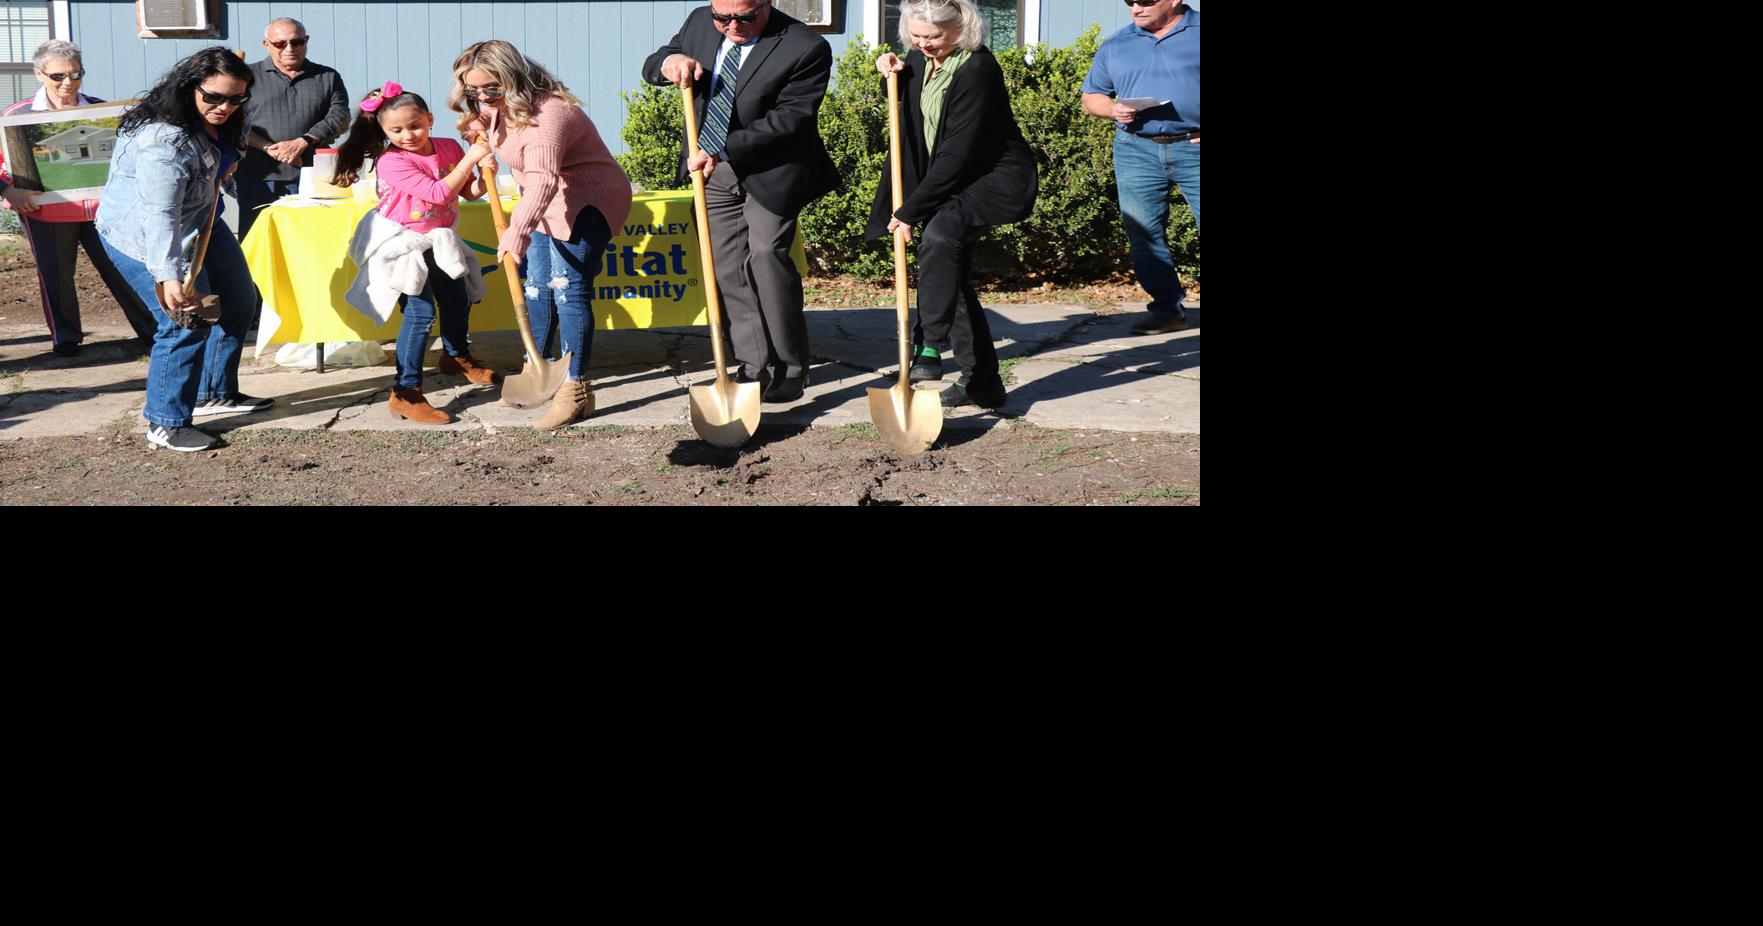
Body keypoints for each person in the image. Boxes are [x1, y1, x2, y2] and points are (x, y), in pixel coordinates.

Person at [642, 0, 839, 404]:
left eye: (746, 17)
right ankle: (754, 364)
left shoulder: (805, 46)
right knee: (727, 267)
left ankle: (789, 367)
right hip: (711, 169)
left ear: (768, 5)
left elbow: (791, 119)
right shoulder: (700, 21)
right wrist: (670, 61)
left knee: (766, 255)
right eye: (723, 17)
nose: (732, 25)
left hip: (773, 170)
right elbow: (656, 62)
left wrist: (722, 148)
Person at [94, 47, 271, 452]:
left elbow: (228, 155)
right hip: (143, 235)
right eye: (214, 97)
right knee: (184, 320)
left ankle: (214, 392)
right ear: (190, 87)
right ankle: (165, 421)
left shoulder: (230, 119)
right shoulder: (164, 141)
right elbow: (160, 213)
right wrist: (168, 275)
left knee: (240, 299)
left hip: (201, 218)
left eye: (236, 98)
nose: (225, 106)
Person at [451, 40, 633, 429]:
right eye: (474, 90)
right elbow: (515, 156)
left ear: (514, 79)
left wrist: (516, 232)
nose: (483, 98)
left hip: (587, 201)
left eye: (492, 89)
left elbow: (543, 181)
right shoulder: (498, 107)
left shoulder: (550, 115)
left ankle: (576, 388)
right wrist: (481, 126)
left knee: (569, 289)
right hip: (545, 204)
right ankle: (537, 368)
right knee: (536, 288)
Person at [868, 0, 1036, 409]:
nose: (923, 45)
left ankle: (929, 344)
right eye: (916, 36)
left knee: (941, 236)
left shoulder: (978, 69)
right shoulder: (919, 58)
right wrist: (890, 70)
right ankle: (983, 383)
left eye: (934, 37)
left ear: (961, 30)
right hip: (949, 178)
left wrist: (909, 210)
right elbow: (914, 116)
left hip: (992, 178)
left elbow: (957, 154)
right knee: (950, 270)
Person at [332, 82, 498, 424]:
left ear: (430, 119)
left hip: (439, 238)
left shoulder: (450, 148)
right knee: (420, 314)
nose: (408, 135)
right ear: (382, 129)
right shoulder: (391, 161)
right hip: (403, 243)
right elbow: (437, 193)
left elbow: (467, 192)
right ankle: (405, 392)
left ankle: (455, 357)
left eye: (415, 126)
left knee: (457, 298)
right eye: (396, 130)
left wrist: (486, 172)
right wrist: (472, 158)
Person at [0, 40, 158, 355]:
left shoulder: (103, 111)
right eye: (58, 76)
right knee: (55, 275)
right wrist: (8, 191)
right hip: (45, 212)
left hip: (104, 212)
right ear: (39, 75)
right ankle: (66, 337)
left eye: (75, 74)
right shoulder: (15, 115)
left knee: (124, 269)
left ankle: (153, 332)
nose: (67, 83)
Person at [1080, 0, 1199, 335]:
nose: (1136, 8)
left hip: (1195, 147)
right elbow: (1092, 97)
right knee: (1144, 233)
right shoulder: (1117, 44)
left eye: (1145, 1)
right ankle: (1166, 309)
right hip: (1136, 150)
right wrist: (1113, 109)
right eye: (1129, 2)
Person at [234, 17, 349, 240]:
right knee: (258, 240)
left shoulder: (327, 76)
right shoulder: (245, 77)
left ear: (306, 42)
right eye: (280, 43)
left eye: (297, 42)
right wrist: (268, 147)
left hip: (311, 176)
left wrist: (303, 141)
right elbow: (233, 121)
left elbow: (340, 116)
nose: (289, 48)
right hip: (258, 176)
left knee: (310, 239)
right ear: (266, 44)